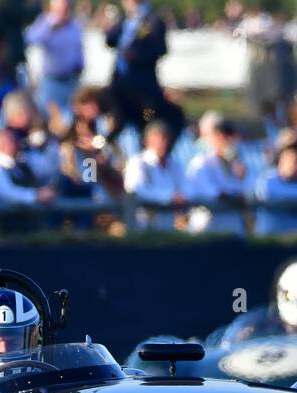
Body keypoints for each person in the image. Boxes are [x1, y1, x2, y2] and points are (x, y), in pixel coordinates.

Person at [103, 0, 183, 139]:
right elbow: (110, 40)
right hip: (122, 84)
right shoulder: (126, 19)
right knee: (118, 120)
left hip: (144, 89)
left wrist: (137, 55)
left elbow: (160, 49)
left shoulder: (153, 21)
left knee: (147, 120)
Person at [184, 116, 246, 234]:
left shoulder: (237, 164)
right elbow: (213, 193)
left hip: (231, 227)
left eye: (230, 137)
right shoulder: (200, 163)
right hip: (206, 227)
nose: (228, 141)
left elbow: (246, 194)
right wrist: (233, 196)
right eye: (223, 136)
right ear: (214, 137)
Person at [122, 118, 184, 230]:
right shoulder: (138, 162)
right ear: (147, 141)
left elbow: (184, 188)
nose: (162, 143)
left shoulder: (175, 164)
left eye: (165, 138)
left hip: (169, 226)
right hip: (143, 226)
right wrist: (169, 197)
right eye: (157, 138)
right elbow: (135, 190)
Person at [25, 0, 83, 118]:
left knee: (70, 117)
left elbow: (79, 48)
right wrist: (50, 26)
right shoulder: (46, 23)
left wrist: (81, 64)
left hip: (71, 80)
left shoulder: (74, 26)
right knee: (47, 116)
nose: (63, 12)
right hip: (52, 82)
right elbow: (31, 38)